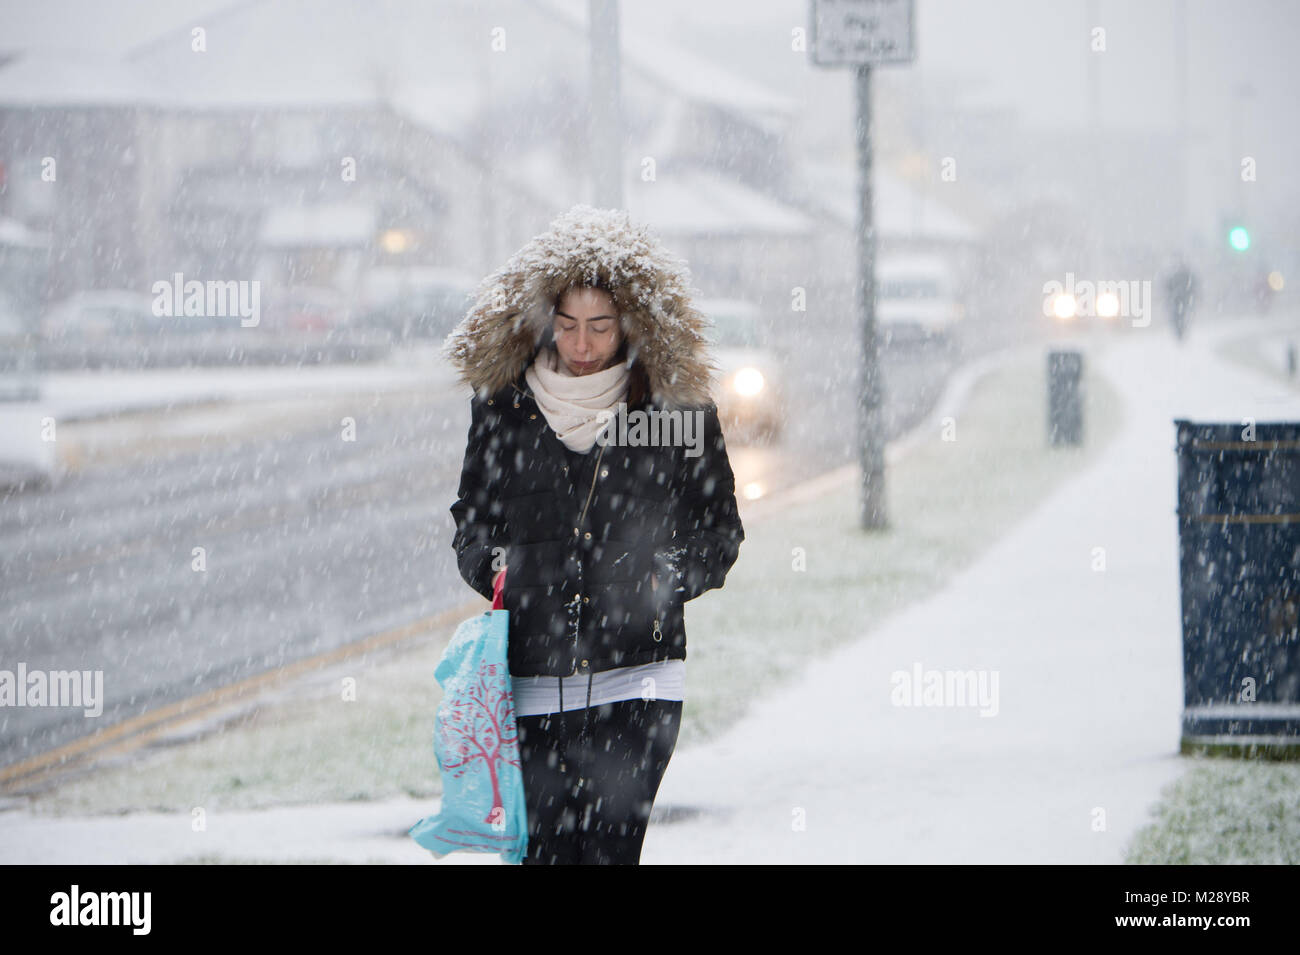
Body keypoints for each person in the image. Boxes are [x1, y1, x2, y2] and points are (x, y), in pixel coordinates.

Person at [442, 204, 745, 864]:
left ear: (629, 324)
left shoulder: (675, 409)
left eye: (601, 327)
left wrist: (659, 578)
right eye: (569, 324)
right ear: (544, 319)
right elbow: (473, 521)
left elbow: (719, 532)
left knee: (610, 855)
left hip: (639, 683)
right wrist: (503, 570)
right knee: (543, 856)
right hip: (529, 681)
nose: (582, 345)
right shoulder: (505, 407)